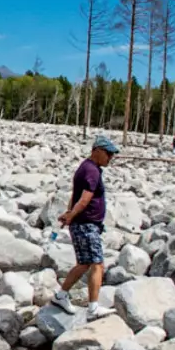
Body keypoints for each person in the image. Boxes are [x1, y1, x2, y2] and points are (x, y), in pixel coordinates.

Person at [53, 134, 120, 320]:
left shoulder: (87, 167)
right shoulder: (92, 171)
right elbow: (84, 198)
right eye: (108, 153)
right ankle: (93, 307)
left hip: (83, 223)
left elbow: (75, 195)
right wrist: (71, 215)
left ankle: (61, 295)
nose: (110, 158)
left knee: (84, 263)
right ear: (97, 150)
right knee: (97, 264)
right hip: (86, 224)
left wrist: (69, 214)